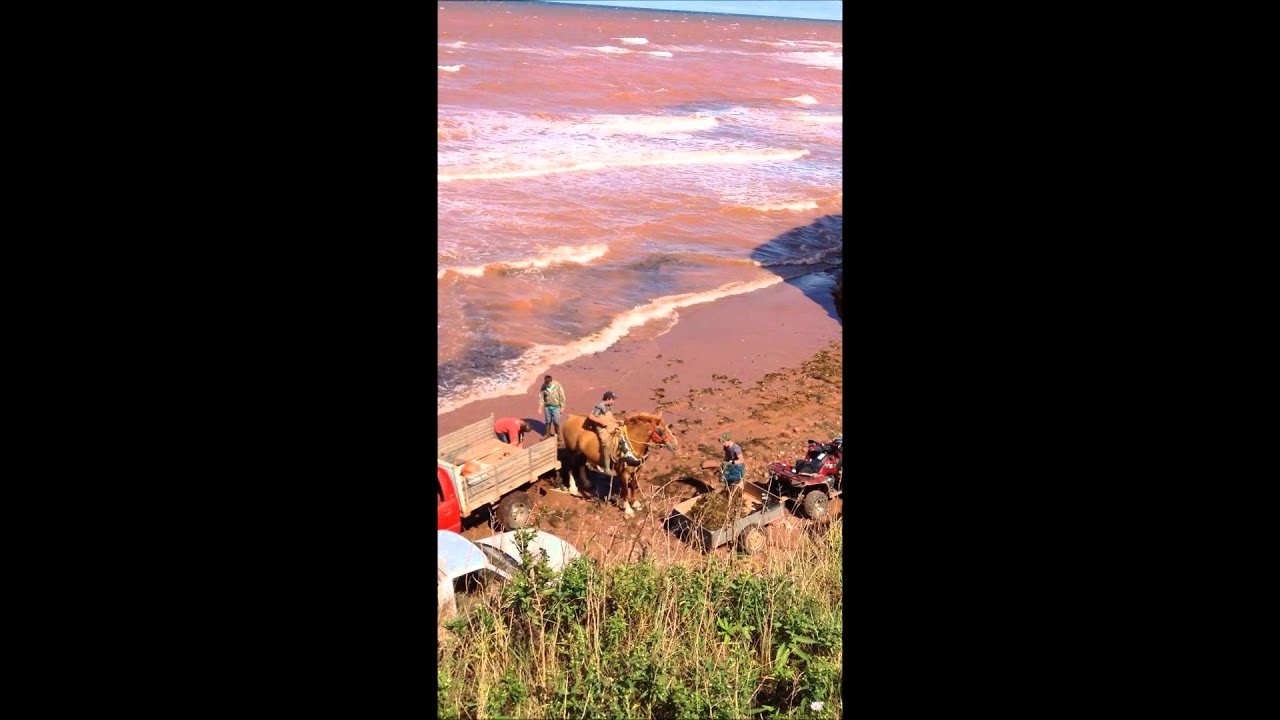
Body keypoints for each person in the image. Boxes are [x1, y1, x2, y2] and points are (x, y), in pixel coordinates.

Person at [590, 391, 636, 475]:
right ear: (608, 399)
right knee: (606, 444)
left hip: (610, 425)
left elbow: (611, 418)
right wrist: (600, 422)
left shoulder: (608, 407)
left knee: (621, 432)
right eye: (613, 399)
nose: (614, 401)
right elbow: (591, 416)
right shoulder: (600, 406)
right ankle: (606, 468)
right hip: (601, 427)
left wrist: (618, 421)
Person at [538, 375, 565, 440]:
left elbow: (562, 396)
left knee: (556, 421)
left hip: (556, 407)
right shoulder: (544, 386)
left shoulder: (557, 385)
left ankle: (558, 435)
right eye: (546, 383)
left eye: (549, 383)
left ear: (551, 381)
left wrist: (562, 407)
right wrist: (540, 407)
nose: (548, 385)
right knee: (548, 421)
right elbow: (541, 397)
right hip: (547, 407)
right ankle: (547, 434)